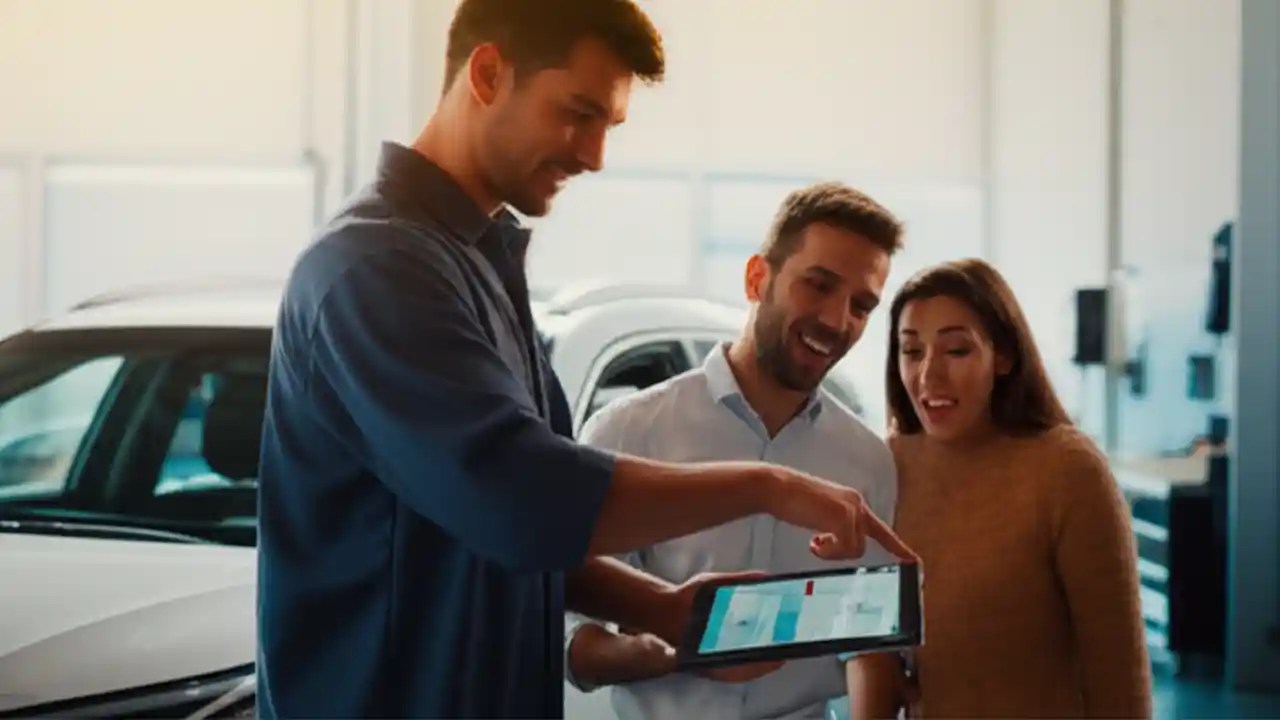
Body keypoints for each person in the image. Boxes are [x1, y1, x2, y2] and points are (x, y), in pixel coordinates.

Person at [255, 1, 915, 718]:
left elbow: (511, 536)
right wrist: (767, 486)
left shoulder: (474, 267)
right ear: (487, 73)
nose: (594, 154)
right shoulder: (375, 269)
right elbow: (522, 499)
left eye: (608, 126)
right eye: (577, 113)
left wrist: (665, 610)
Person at [566, 181, 905, 720]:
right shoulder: (626, 432)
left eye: (861, 306)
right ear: (756, 278)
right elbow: (571, 646)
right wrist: (679, 650)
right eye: (818, 286)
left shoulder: (867, 462)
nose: (838, 322)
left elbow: (873, 645)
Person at [845, 258, 1152, 719]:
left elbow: (1119, 679)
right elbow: (875, 652)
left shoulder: (1068, 470)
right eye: (912, 351)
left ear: (1004, 356)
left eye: (956, 351)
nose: (929, 376)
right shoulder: (888, 466)